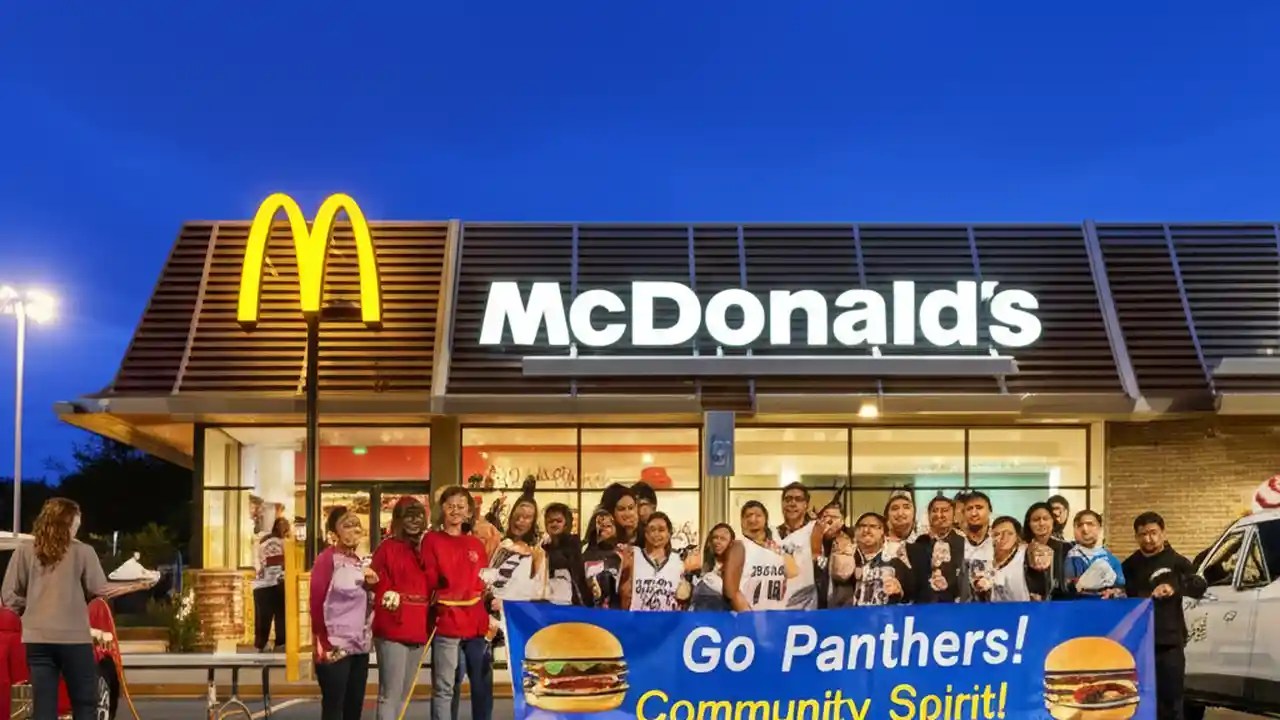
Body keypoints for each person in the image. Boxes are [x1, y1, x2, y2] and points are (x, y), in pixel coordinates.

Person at [1, 498, 108, 720]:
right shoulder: (84, 552)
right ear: (70, 522)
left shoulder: (24, 551)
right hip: (74, 639)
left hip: (37, 638)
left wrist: (31, 606)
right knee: (84, 703)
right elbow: (100, 589)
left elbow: (8, 595)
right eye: (77, 519)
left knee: (44, 706)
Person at [1122, 512, 1206, 720]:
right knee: (1137, 699)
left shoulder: (1178, 562)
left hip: (1169, 642)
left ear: (1163, 533)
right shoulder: (1129, 566)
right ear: (1136, 536)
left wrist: (1174, 587)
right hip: (1137, 644)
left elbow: (1199, 586)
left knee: (1171, 699)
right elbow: (1124, 595)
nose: (1148, 539)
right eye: (1142, 534)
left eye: (1153, 533)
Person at [424, 486, 494, 720]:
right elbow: (431, 578)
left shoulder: (475, 544)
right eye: (450, 505)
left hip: (476, 624)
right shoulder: (432, 539)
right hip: (447, 622)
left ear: (469, 511)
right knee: (445, 687)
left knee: (481, 684)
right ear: (442, 509)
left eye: (461, 506)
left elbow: (483, 580)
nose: (455, 511)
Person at [310, 506, 377, 720]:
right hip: (334, 644)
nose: (353, 530)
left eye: (356, 526)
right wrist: (323, 640)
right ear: (334, 533)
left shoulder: (360, 561)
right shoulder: (326, 560)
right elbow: (316, 602)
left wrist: (372, 587)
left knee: (354, 706)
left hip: (359, 645)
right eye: (346, 526)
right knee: (334, 706)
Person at [370, 496, 432, 720]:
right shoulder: (387, 547)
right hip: (392, 626)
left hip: (419, 627)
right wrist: (386, 592)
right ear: (398, 519)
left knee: (405, 693)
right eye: (408, 515)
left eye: (418, 515)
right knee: (391, 693)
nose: (414, 521)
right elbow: (373, 579)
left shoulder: (428, 547)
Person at [722, 501, 795, 611]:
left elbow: (794, 574)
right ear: (742, 521)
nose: (752, 519)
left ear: (765, 519)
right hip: (751, 615)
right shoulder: (739, 545)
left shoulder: (777, 546)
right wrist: (749, 618)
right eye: (748, 516)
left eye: (757, 515)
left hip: (778, 615)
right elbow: (731, 591)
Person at [621, 512, 688, 611]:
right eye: (652, 530)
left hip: (669, 622)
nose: (656, 534)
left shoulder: (678, 560)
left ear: (669, 534)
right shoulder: (634, 555)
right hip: (638, 620)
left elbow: (684, 596)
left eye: (661, 530)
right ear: (646, 533)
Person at [843, 512, 911, 607]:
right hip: (849, 616)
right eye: (862, 526)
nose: (866, 530)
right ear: (856, 531)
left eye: (872, 526)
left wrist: (899, 591)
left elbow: (910, 593)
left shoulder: (896, 559)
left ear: (882, 531)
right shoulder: (845, 556)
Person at [775, 483, 825, 610]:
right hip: (777, 606)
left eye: (798, 499)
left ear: (806, 505)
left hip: (807, 606)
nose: (792, 503)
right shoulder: (772, 534)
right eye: (788, 499)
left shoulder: (816, 529)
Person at [911, 494, 966, 603]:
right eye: (935, 511)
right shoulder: (920, 542)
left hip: (954, 606)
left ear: (954, 515)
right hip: (925, 605)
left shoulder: (964, 543)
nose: (939, 515)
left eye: (944, 510)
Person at [1065, 510, 1126, 598]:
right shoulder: (1072, 557)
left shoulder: (1110, 558)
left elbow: (1121, 585)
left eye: (1090, 524)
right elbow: (1069, 587)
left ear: (1100, 528)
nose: (1085, 530)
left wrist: (1115, 591)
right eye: (1080, 525)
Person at [541, 503, 591, 606]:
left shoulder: (574, 545)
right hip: (548, 601)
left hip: (570, 603)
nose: (554, 524)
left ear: (566, 524)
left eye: (559, 521)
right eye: (550, 521)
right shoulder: (543, 548)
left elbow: (579, 577)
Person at [252, 517, 290, 652]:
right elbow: (286, 564)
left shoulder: (262, 542)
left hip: (261, 585)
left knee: (263, 616)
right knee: (281, 614)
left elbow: (256, 563)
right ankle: (280, 643)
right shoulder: (285, 543)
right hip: (278, 583)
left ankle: (261, 644)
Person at [1022, 502, 1069, 599]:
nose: (1041, 523)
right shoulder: (1022, 550)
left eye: (1045, 518)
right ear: (1029, 524)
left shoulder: (1066, 548)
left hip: (1062, 604)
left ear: (1053, 521)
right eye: (1036, 520)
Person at [581, 508, 624, 609]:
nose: (604, 530)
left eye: (608, 526)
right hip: (589, 611)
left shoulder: (622, 553)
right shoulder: (583, 552)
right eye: (600, 526)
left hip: (617, 612)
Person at [958, 491, 996, 602]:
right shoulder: (957, 542)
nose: (974, 513)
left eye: (979, 508)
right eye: (969, 509)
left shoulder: (999, 541)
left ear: (989, 511)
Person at [689, 523, 736, 611]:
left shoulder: (736, 570)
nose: (718, 541)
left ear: (731, 543)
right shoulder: (702, 568)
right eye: (715, 538)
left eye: (723, 539)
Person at [989, 516, 1033, 602]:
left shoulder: (1025, 553)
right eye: (997, 534)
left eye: (1009, 533)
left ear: (1017, 537)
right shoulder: (987, 556)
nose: (1004, 538)